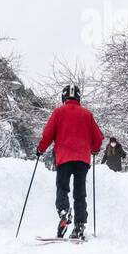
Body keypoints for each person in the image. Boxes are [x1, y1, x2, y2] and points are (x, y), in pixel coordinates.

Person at [37, 83, 104, 239]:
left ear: (64, 97)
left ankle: (64, 211)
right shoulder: (87, 114)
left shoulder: (58, 112)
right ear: (78, 97)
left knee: (63, 188)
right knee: (80, 193)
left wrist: (40, 149)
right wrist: (94, 149)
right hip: (82, 159)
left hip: (64, 158)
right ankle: (80, 225)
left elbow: (47, 134)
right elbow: (98, 138)